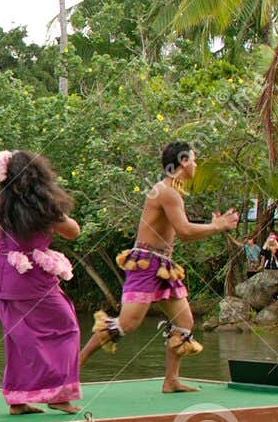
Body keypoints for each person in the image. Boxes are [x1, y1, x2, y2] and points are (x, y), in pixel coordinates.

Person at [80, 141, 240, 393]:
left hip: (163, 265)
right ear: (184, 162)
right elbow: (185, 232)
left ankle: (171, 380)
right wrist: (217, 226)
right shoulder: (167, 192)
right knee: (127, 324)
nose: (196, 165)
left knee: (184, 322)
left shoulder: (173, 192)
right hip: (146, 263)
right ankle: (76, 365)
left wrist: (213, 226)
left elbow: (184, 230)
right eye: (194, 160)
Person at [0, 150, 82, 414]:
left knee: (19, 340)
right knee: (67, 328)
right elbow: (73, 231)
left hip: (4, 280)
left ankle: (18, 399)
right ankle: (58, 394)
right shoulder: (43, 207)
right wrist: (56, 216)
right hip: (33, 280)